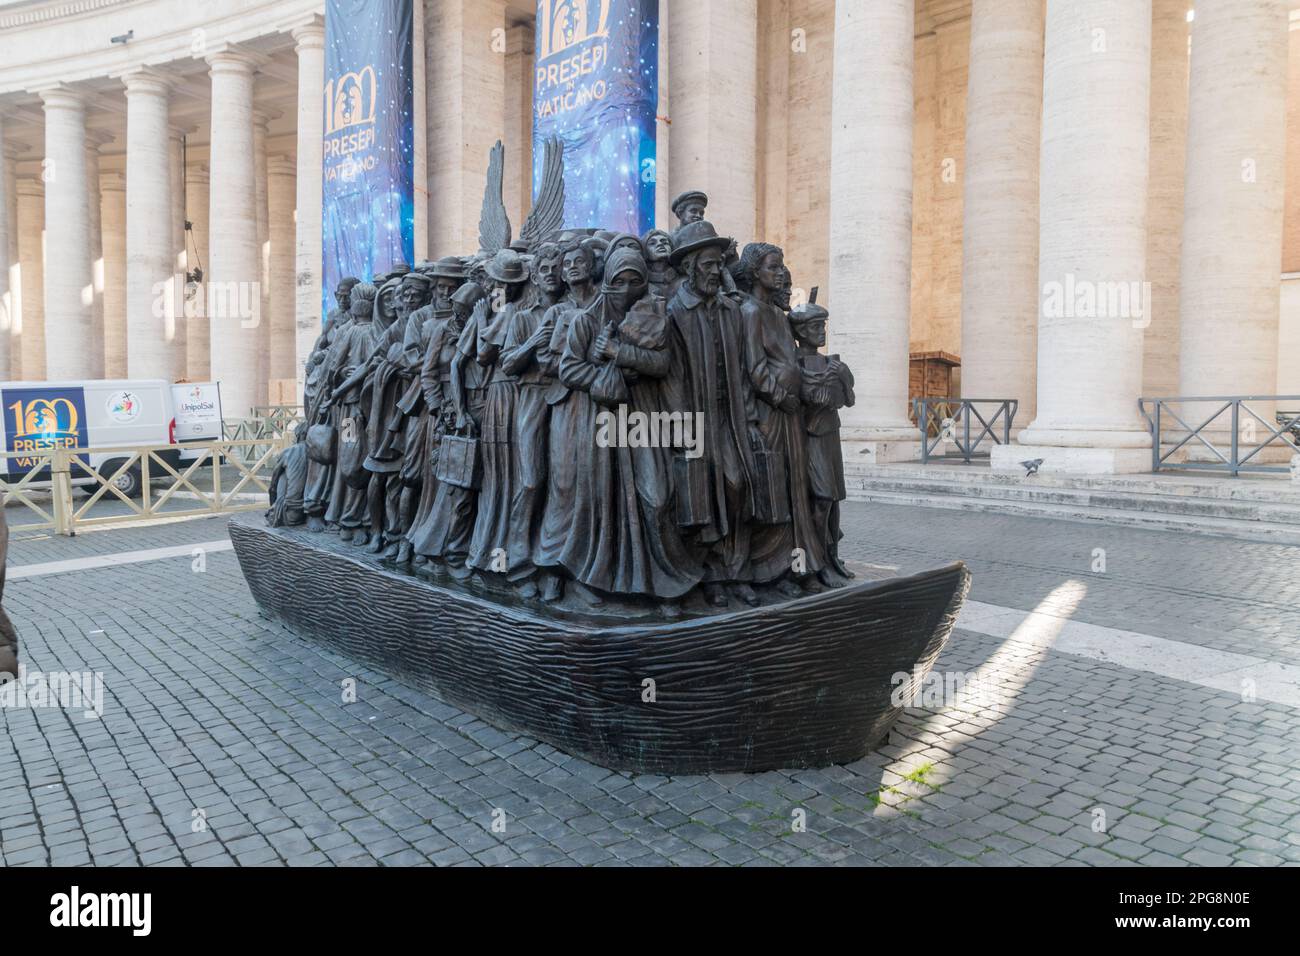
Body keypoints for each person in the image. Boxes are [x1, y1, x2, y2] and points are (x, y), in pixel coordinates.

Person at [554, 245, 702, 610]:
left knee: (657, 496)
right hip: (603, 419)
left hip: (645, 418)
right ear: (607, 281)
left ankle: (667, 584)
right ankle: (596, 581)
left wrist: (619, 354)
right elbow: (568, 369)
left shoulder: (654, 314)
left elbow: (663, 363)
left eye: (635, 281)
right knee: (603, 501)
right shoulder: (586, 321)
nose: (626, 288)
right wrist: (609, 376)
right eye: (619, 281)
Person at [665, 221, 762, 608]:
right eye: (707, 264)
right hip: (694, 417)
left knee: (737, 486)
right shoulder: (676, 311)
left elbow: (742, 372)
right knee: (700, 497)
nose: (714, 270)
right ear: (689, 266)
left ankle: (734, 571)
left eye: (717, 263)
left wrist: (751, 419)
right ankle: (706, 577)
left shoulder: (730, 311)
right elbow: (671, 376)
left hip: (731, 416)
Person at [734, 242, 826, 594]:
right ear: (755, 272)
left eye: (781, 266)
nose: (780, 272)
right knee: (771, 492)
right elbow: (754, 368)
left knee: (793, 491)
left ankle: (795, 568)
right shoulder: (750, 312)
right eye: (773, 267)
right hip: (770, 415)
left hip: (788, 414)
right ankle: (765, 574)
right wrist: (779, 396)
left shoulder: (776, 313)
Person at [464, 249, 537, 594]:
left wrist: (480, 320)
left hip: (505, 396)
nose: (491, 287)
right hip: (506, 396)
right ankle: (493, 558)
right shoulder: (510, 311)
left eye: (495, 282)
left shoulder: (507, 312)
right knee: (503, 479)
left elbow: (483, 354)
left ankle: (498, 559)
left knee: (504, 479)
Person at [534, 238, 603, 600]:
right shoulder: (555, 312)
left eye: (579, 261)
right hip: (565, 402)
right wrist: (573, 366)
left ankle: (587, 573)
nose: (573, 267)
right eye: (567, 264)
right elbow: (543, 360)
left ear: (592, 266)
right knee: (563, 483)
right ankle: (553, 569)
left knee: (592, 486)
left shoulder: (604, 305)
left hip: (599, 405)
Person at [408, 283, 489, 578]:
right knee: (448, 487)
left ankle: (457, 547)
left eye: (465, 310)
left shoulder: (481, 327)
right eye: (457, 307)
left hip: (477, 410)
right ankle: (437, 550)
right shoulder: (441, 330)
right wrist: (440, 407)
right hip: (445, 415)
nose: (459, 313)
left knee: (469, 486)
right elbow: (428, 373)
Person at [790, 301, 856, 587]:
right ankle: (812, 563)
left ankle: (831, 557)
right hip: (807, 439)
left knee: (833, 501)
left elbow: (848, 399)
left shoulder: (834, 364)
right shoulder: (793, 363)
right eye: (815, 327)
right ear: (801, 331)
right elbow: (804, 399)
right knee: (820, 499)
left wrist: (840, 378)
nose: (821, 332)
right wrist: (822, 388)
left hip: (830, 437)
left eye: (823, 326)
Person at [642, 229, 681, 300]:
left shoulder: (681, 277)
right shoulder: (642, 282)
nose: (660, 244)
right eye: (652, 243)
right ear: (645, 251)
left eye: (665, 242)